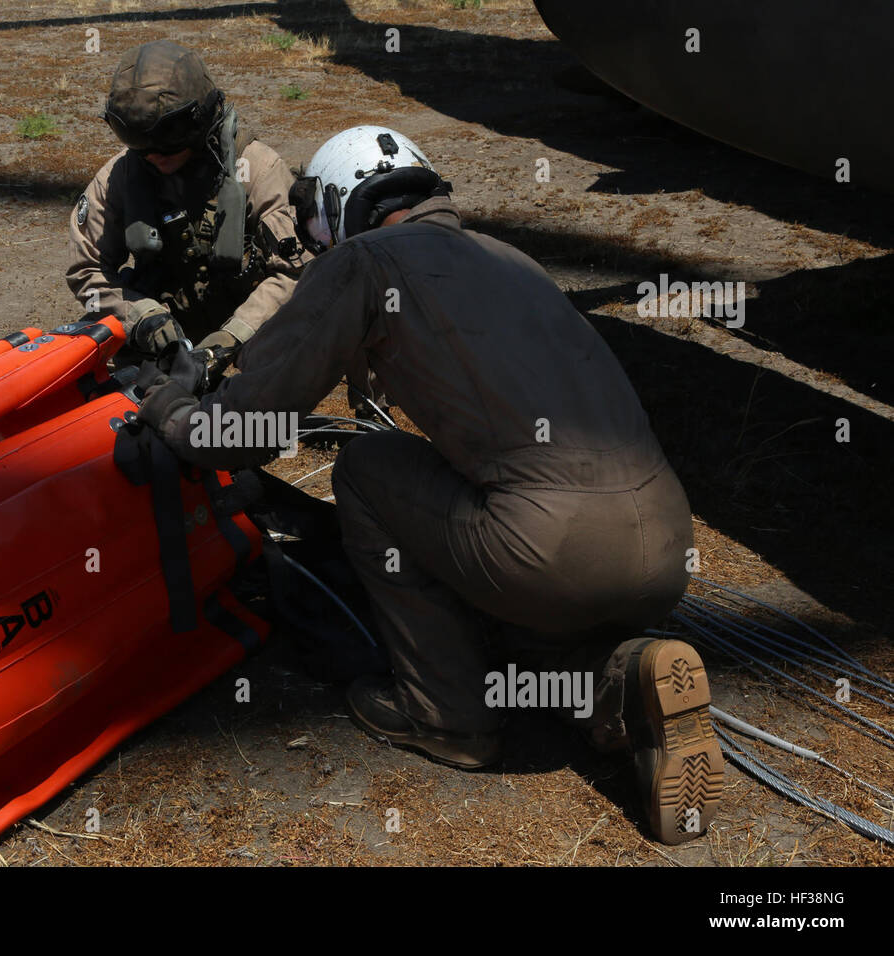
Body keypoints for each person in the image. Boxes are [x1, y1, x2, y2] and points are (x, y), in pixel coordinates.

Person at [135, 125, 724, 845]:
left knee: (371, 466)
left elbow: (242, 434)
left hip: (547, 548)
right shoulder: (512, 260)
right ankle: (622, 680)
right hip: (663, 551)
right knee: (508, 583)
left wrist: (169, 406)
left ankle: (446, 715)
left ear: (342, 202)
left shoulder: (365, 260)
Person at [67, 39, 309, 365]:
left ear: (202, 119)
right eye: (137, 138)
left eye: (168, 134)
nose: (154, 153)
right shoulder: (120, 176)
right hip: (162, 340)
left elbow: (296, 273)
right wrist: (140, 315)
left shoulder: (256, 170)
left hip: (253, 339)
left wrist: (235, 333)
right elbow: (87, 268)